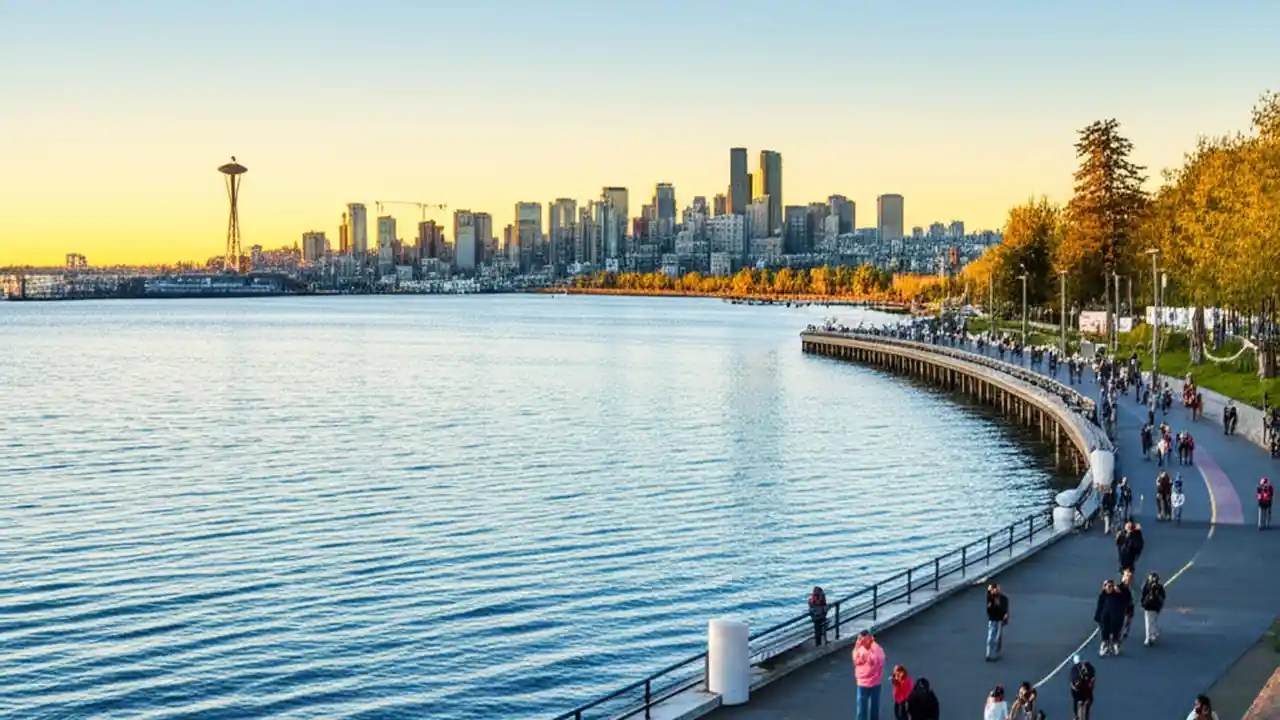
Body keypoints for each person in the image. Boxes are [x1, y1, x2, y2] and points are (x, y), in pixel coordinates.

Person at [853, 629, 885, 720]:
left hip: (862, 682)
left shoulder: (859, 649)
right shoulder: (877, 648)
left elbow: (855, 660)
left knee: (862, 706)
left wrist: (858, 647)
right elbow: (881, 661)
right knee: (875, 705)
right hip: (876, 681)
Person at [1094, 579, 1127, 656]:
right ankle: (1104, 646)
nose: (1109, 588)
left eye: (1111, 586)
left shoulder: (1118, 595)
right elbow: (1100, 607)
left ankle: (1115, 645)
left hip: (1115, 618)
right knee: (1105, 632)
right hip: (1105, 618)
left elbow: (1125, 603)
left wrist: (1120, 593)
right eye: (1107, 586)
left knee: (1115, 632)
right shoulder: (1102, 595)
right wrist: (1097, 617)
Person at [1141, 571, 1166, 645]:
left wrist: (1158, 596)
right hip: (1149, 606)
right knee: (1149, 622)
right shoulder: (1147, 586)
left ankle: (1153, 633)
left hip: (1155, 607)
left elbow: (1163, 596)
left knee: (1153, 620)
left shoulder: (1159, 587)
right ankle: (1149, 636)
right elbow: (1144, 595)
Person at [986, 582, 1010, 661]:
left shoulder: (1003, 598)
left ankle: (995, 652)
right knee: (991, 637)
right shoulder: (991, 598)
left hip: (999, 620)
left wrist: (1005, 615)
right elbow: (989, 609)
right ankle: (989, 653)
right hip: (993, 619)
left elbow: (1005, 609)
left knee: (997, 637)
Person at [1069, 653, 1096, 719]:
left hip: (1080, 691)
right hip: (1084, 691)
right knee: (1086, 703)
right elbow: (1093, 679)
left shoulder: (1074, 669)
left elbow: (1072, 684)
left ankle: (1076, 715)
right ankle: (1080, 715)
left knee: (1077, 701)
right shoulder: (1089, 667)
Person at [1117, 568, 1136, 641]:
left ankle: (1125, 630)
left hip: (1129, 605)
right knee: (1123, 619)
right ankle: (1121, 632)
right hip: (1124, 605)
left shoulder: (1130, 588)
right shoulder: (1121, 587)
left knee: (1128, 619)